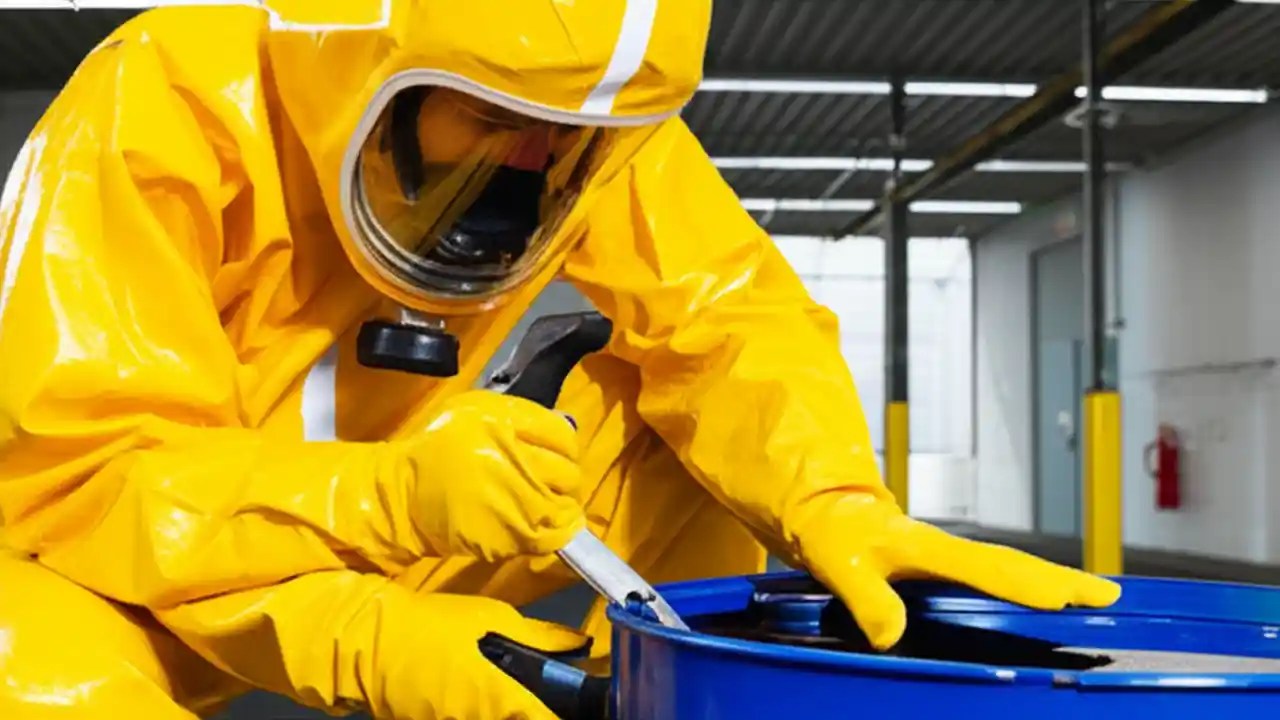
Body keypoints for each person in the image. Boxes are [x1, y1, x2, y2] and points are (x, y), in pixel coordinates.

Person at [0, 1, 1120, 718]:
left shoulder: (583, 123)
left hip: (399, 529)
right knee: (31, 675)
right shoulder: (166, 103)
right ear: (365, 65)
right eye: (488, 118)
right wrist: (377, 609)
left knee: (685, 432)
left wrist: (832, 498)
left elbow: (727, 318)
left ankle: (629, 699)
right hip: (115, 576)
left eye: (564, 142)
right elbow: (82, 482)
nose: (528, 167)